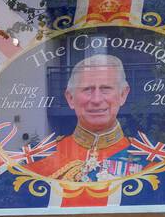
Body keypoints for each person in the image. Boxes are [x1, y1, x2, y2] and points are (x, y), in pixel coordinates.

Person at [29, 54, 145, 183]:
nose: (96, 99)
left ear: (123, 95)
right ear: (70, 98)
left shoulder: (147, 160)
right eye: (87, 89)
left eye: (106, 88)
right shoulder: (40, 160)